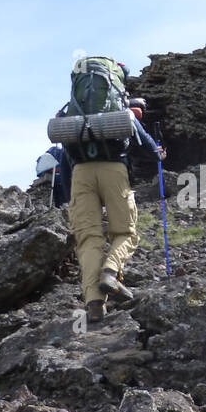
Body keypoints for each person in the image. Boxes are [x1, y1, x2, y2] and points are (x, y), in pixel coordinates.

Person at [67, 99, 165, 324]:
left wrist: (67, 193)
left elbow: (65, 157)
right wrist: (158, 154)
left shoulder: (74, 115)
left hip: (80, 173)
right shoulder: (121, 110)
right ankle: (110, 273)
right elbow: (147, 146)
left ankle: (94, 304)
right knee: (125, 232)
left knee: (89, 239)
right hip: (114, 170)